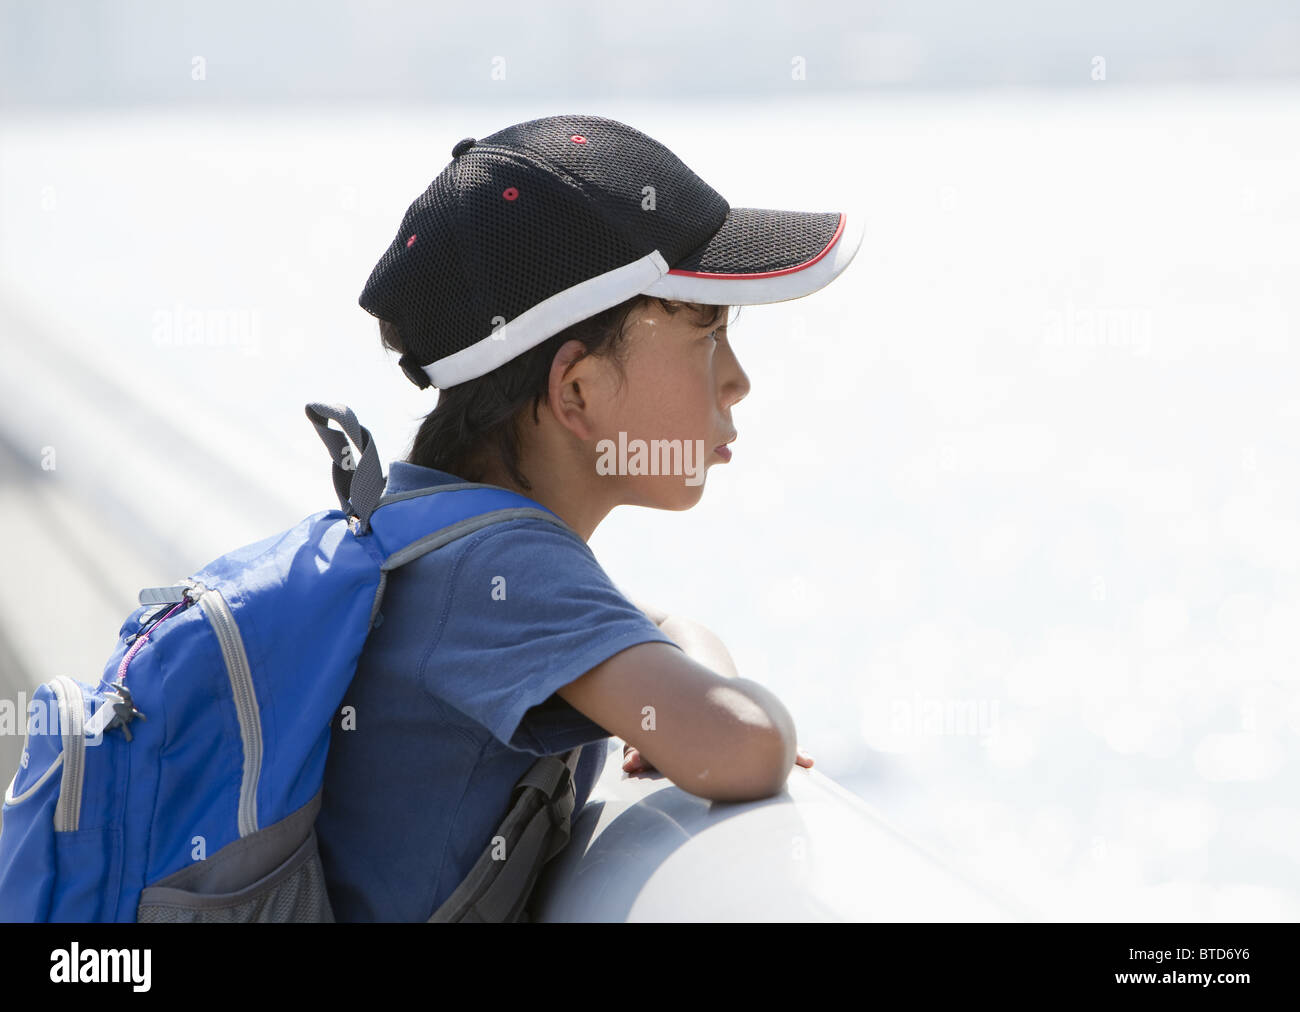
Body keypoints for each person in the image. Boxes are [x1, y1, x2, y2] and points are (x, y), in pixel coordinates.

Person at [314, 113, 864, 921]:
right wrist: (700, 709)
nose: (738, 381)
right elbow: (746, 746)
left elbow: (662, 625)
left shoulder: (426, 529)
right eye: (707, 332)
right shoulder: (508, 570)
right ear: (577, 391)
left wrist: (665, 695)